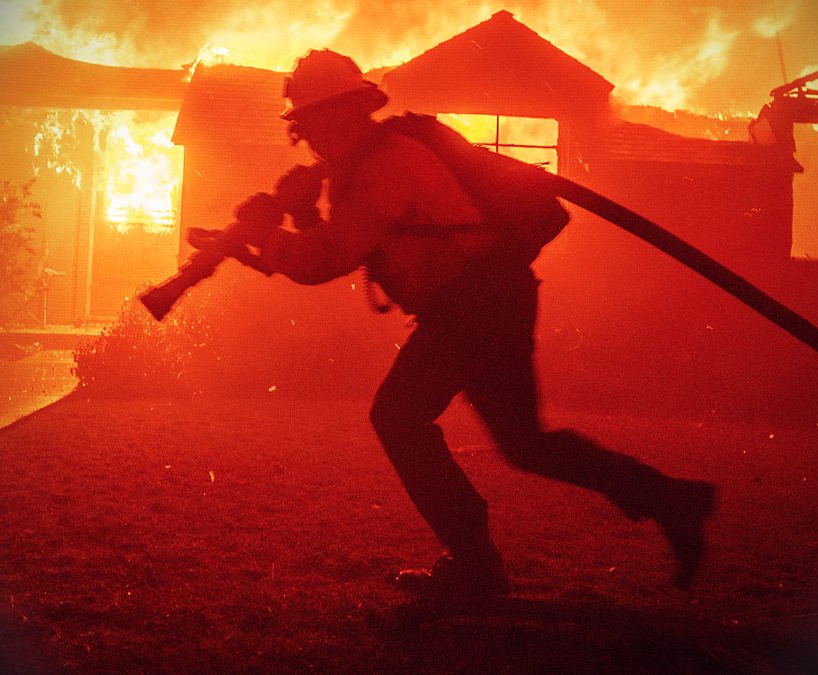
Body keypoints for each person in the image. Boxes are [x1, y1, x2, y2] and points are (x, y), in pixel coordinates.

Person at [219, 49, 716, 597]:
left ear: (351, 111)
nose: (312, 138)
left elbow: (326, 260)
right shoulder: (365, 167)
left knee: (398, 417)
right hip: (487, 301)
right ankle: (671, 501)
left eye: (317, 121)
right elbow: (342, 247)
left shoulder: (386, 166)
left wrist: (269, 233)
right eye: (305, 127)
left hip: (474, 305)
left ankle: (476, 564)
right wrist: (301, 214)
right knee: (526, 445)